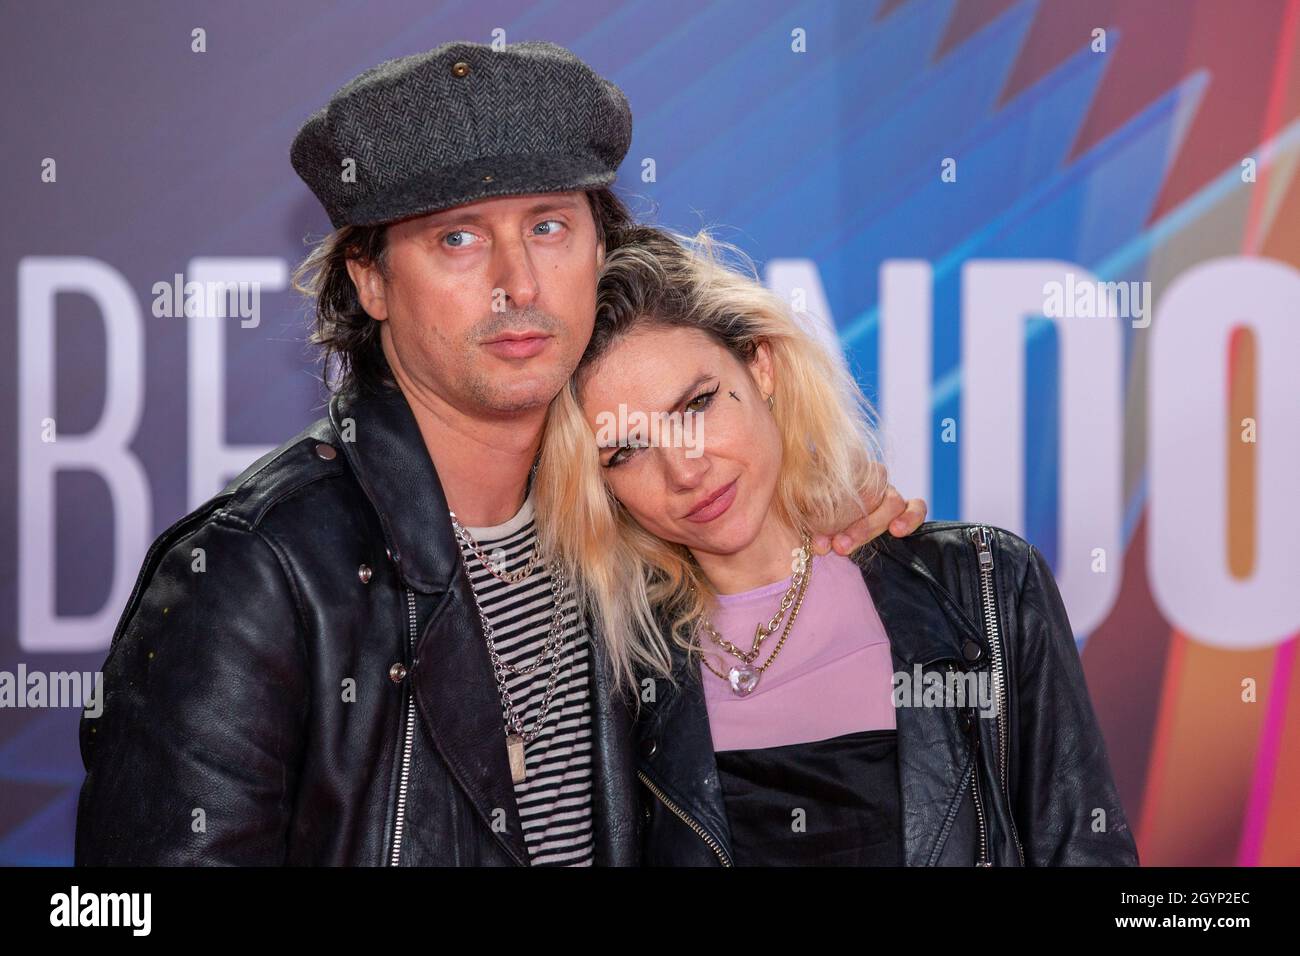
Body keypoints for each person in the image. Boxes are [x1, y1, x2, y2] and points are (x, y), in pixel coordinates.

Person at [74, 41, 926, 866]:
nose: (518, 282)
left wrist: (835, 522)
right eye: (458, 238)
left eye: (549, 226)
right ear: (369, 279)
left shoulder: (628, 546)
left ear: (599, 250)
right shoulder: (254, 575)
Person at [536, 225, 1141, 866]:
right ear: (597, 481)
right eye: (628, 450)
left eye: (698, 405)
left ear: (761, 365)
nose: (685, 472)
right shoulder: (608, 668)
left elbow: (1084, 852)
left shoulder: (983, 585)